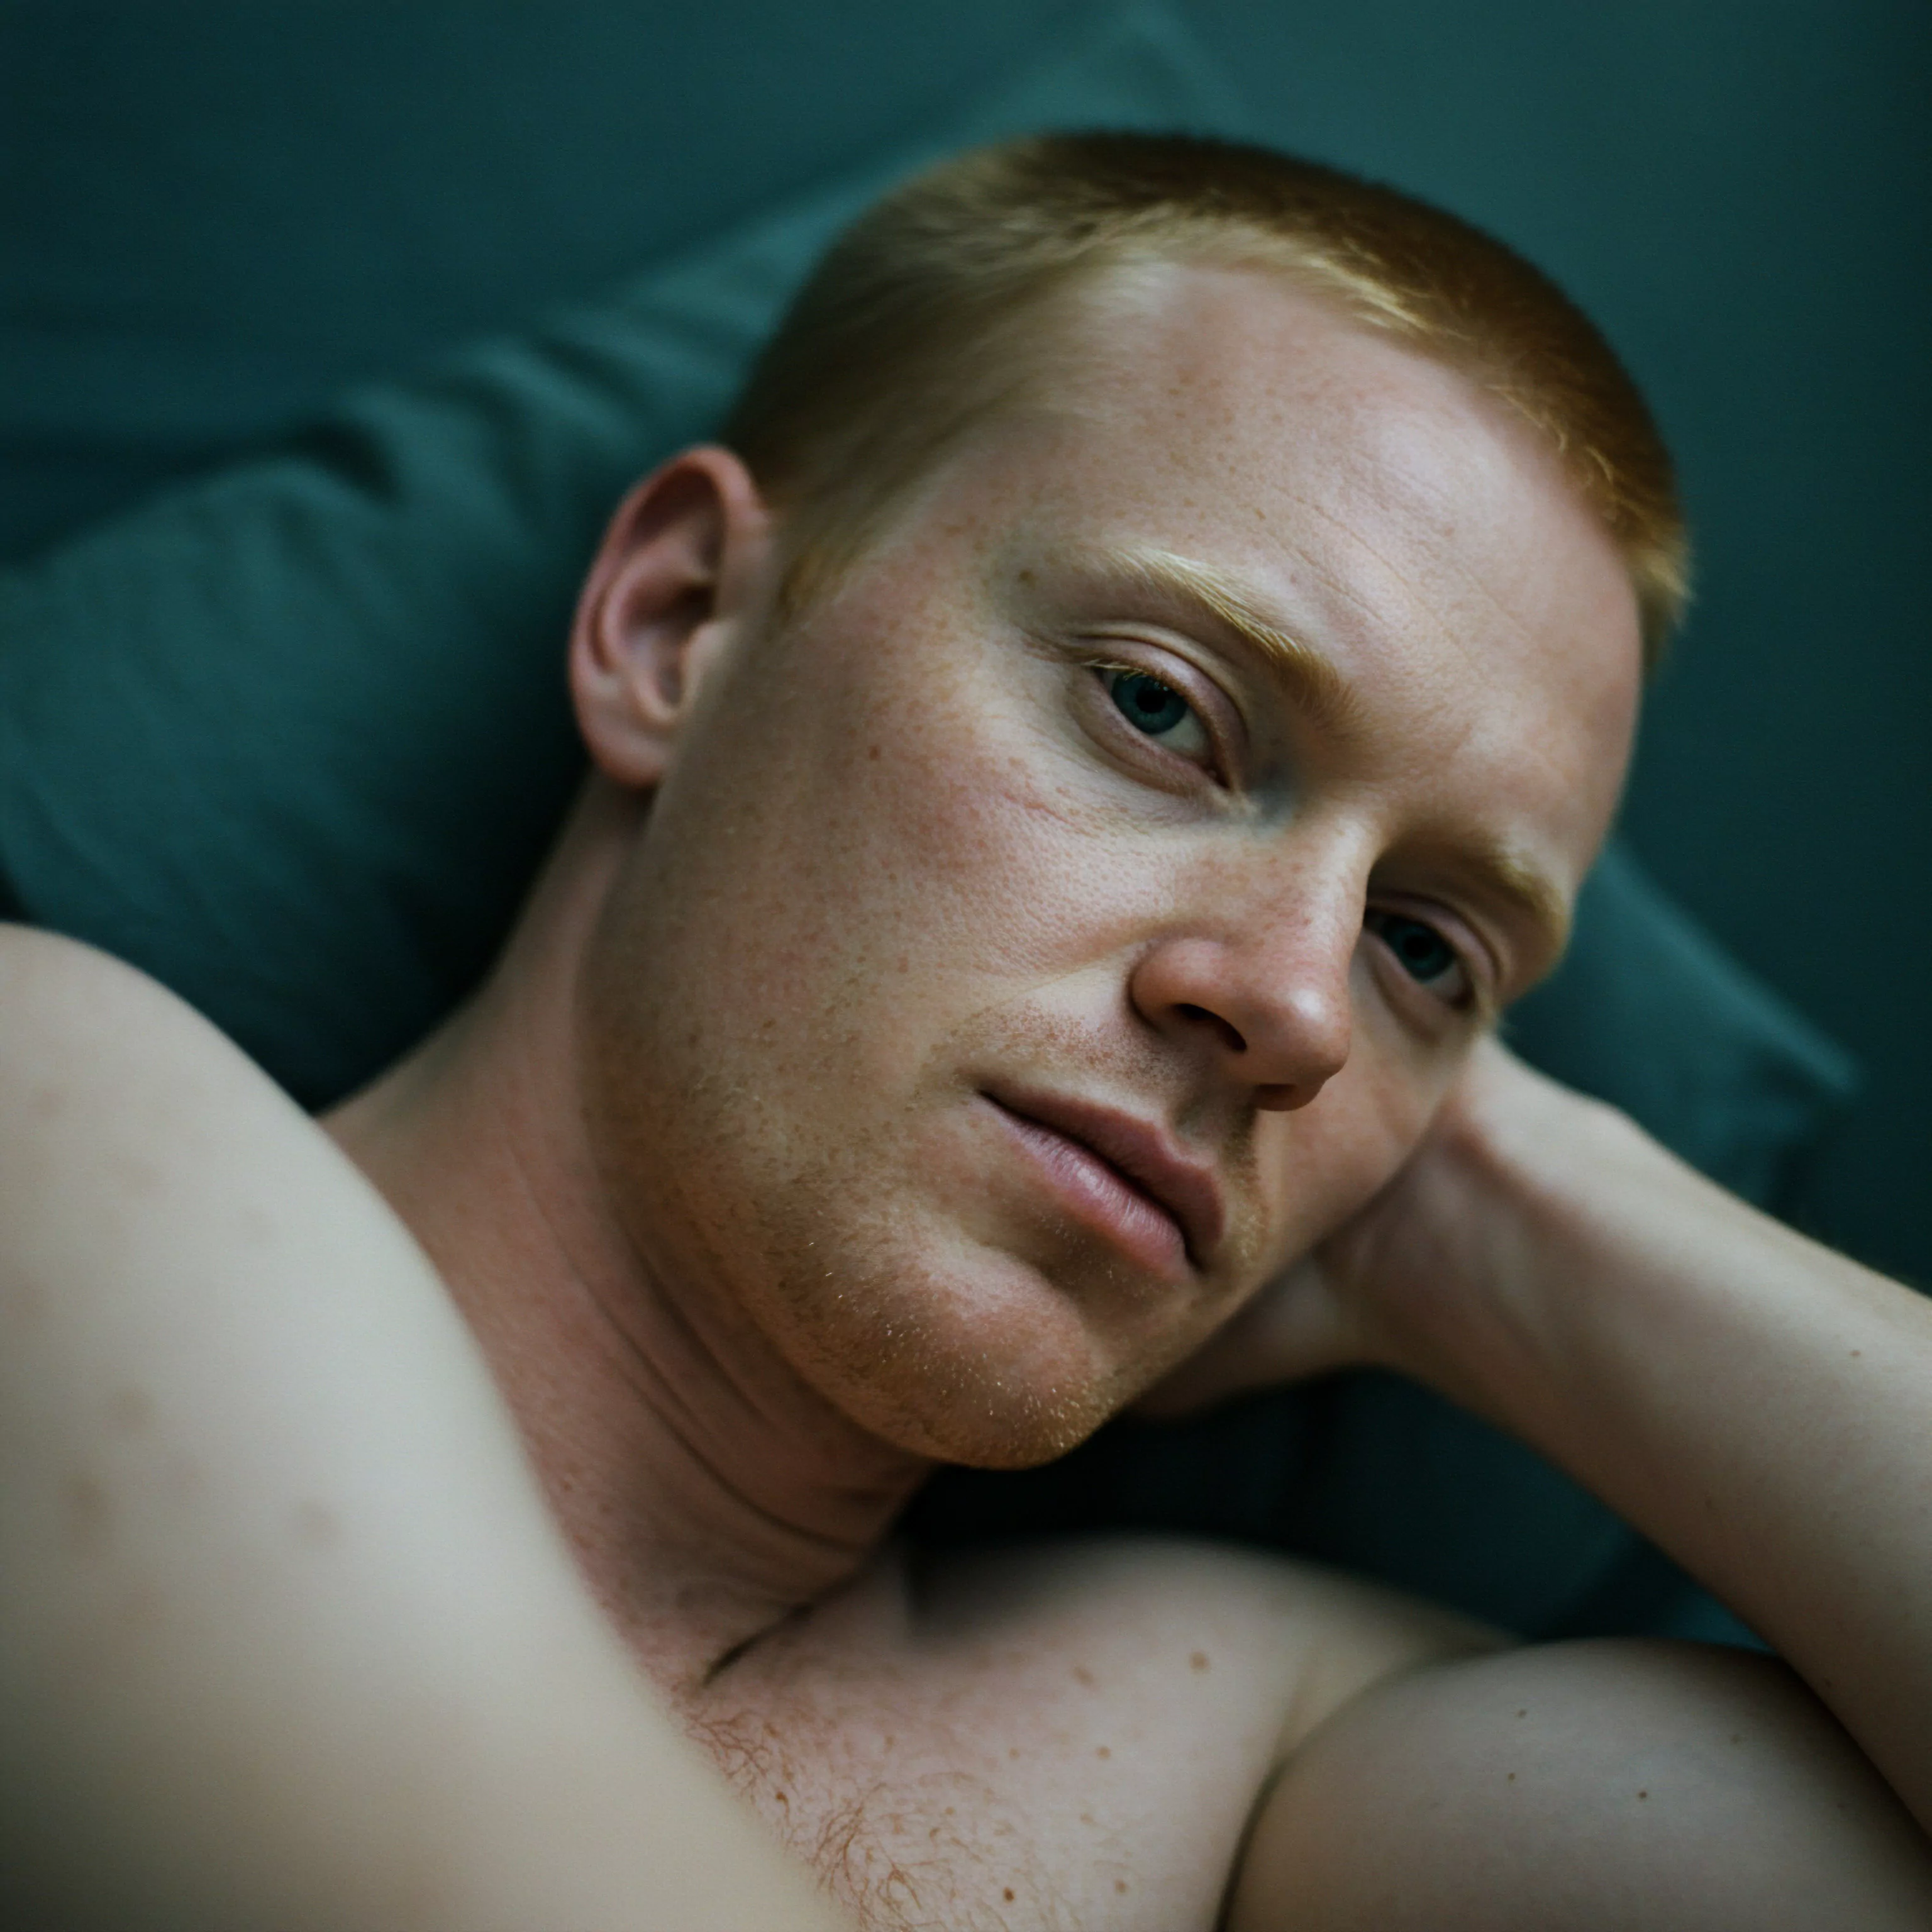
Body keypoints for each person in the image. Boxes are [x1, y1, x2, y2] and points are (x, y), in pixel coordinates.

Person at [4, 131, 1931, 1931]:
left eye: (1423, 953)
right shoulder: (62, 1128)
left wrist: (1516, 1208)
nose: (1293, 1013)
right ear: (681, 625)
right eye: (1165, 715)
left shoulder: (1250, 1746)